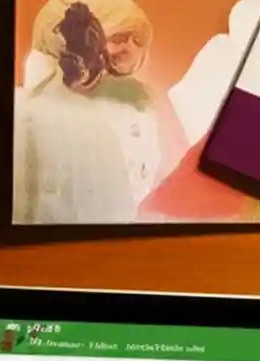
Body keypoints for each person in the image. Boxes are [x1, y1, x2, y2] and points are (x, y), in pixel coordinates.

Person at [13, 0, 185, 223]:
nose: (130, 49)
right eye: (120, 38)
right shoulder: (37, 113)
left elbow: (170, 173)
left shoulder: (141, 100)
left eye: (138, 40)